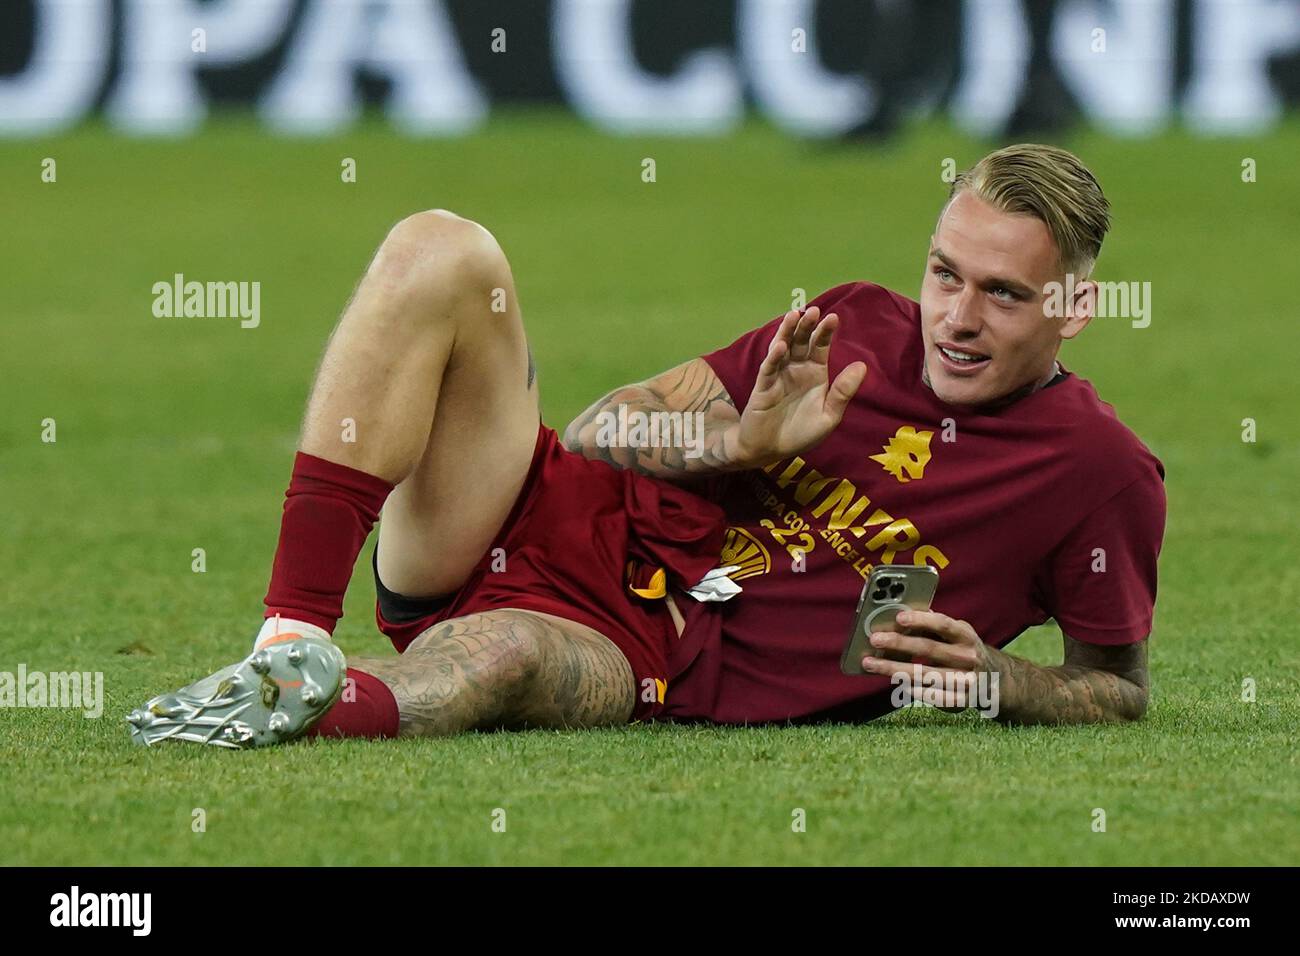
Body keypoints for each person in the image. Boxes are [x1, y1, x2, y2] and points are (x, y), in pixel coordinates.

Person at [128, 143, 1164, 749]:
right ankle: (287, 637)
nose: (956, 316)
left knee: (507, 655)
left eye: (1003, 293)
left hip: (639, 646)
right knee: (441, 248)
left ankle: (305, 704)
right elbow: (596, 428)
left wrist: (997, 677)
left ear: (1076, 305)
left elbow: (1116, 685)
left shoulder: (1099, 471)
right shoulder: (849, 322)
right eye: (945, 273)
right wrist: (739, 436)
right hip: (518, 508)